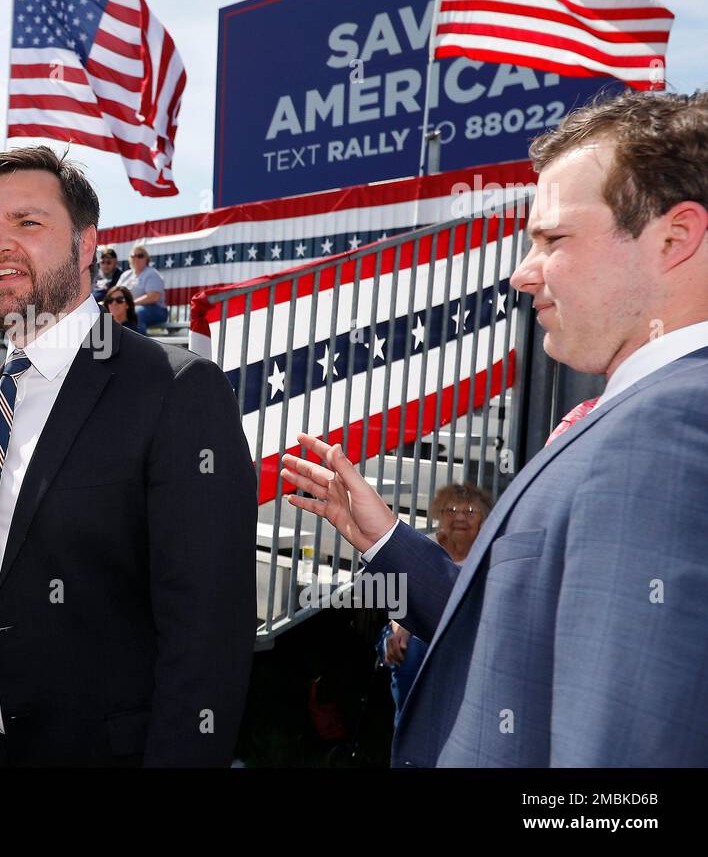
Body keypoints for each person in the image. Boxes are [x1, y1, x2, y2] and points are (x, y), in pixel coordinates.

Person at [282, 90, 708, 767]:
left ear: (674, 239)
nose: (521, 272)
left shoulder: (669, 429)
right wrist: (381, 535)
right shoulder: (645, 414)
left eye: (554, 239)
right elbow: (507, 634)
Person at [0, 146, 256, 767]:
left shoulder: (176, 389)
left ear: (85, 245)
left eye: (28, 222)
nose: (0, 244)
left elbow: (208, 640)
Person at [376, 482, 491, 724]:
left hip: (463, 637)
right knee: (406, 652)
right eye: (451, 511)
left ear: (483, 518)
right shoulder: (425, 547)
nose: (460, 518)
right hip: (415, 629)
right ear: (439, 515)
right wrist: (400, 632)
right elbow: (405, 599)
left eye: (470, 511)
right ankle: (410, 732)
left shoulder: (488, 555)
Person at [117, 244, 168, 333]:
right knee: (107, 314)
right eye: (133, 256)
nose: (136, 258)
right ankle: (108, 345)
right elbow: (115, 293)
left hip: (156, 309)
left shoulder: (152, 273)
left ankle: (138, 345)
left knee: (136, 313)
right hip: (128, 307)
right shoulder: (125, 275)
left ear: (146, 259)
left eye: (140, 256)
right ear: (130, 259)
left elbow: (154, 296)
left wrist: (130, 304)